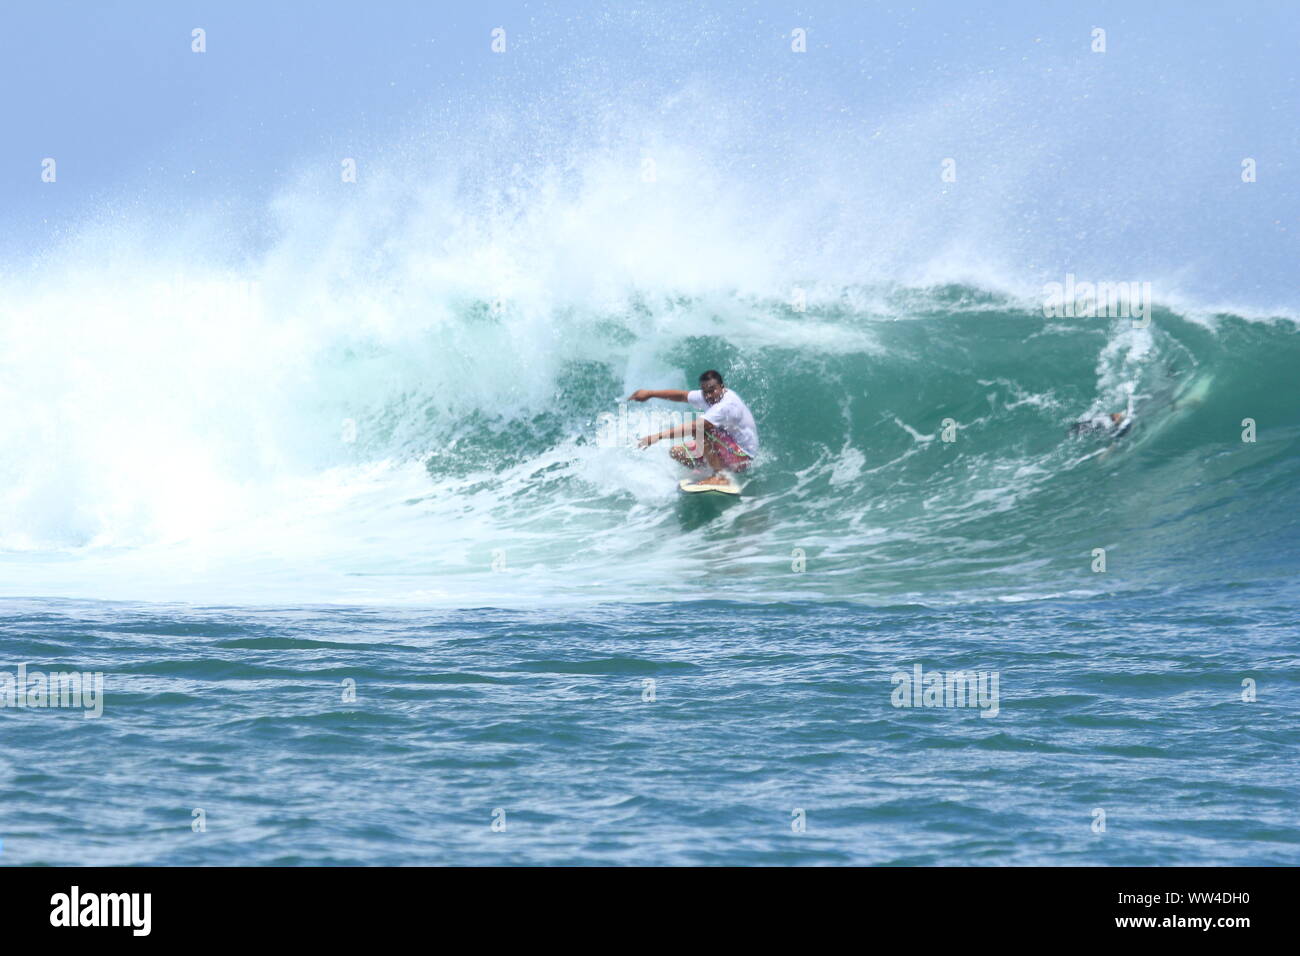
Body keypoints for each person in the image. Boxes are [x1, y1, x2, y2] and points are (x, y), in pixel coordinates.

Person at [629, 370, 760, 486]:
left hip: (742, 456)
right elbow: (682, 396)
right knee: (677, 452)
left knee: (700, 430)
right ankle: (710, 469)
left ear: (722, 387)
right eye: (705, 392)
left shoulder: (726, 405)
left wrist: (658, 436)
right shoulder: (708, 396)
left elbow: (695, 427)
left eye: (713, 390)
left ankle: (720, 477)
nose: (709, 395)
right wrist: (650, 393)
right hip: (726, 447)